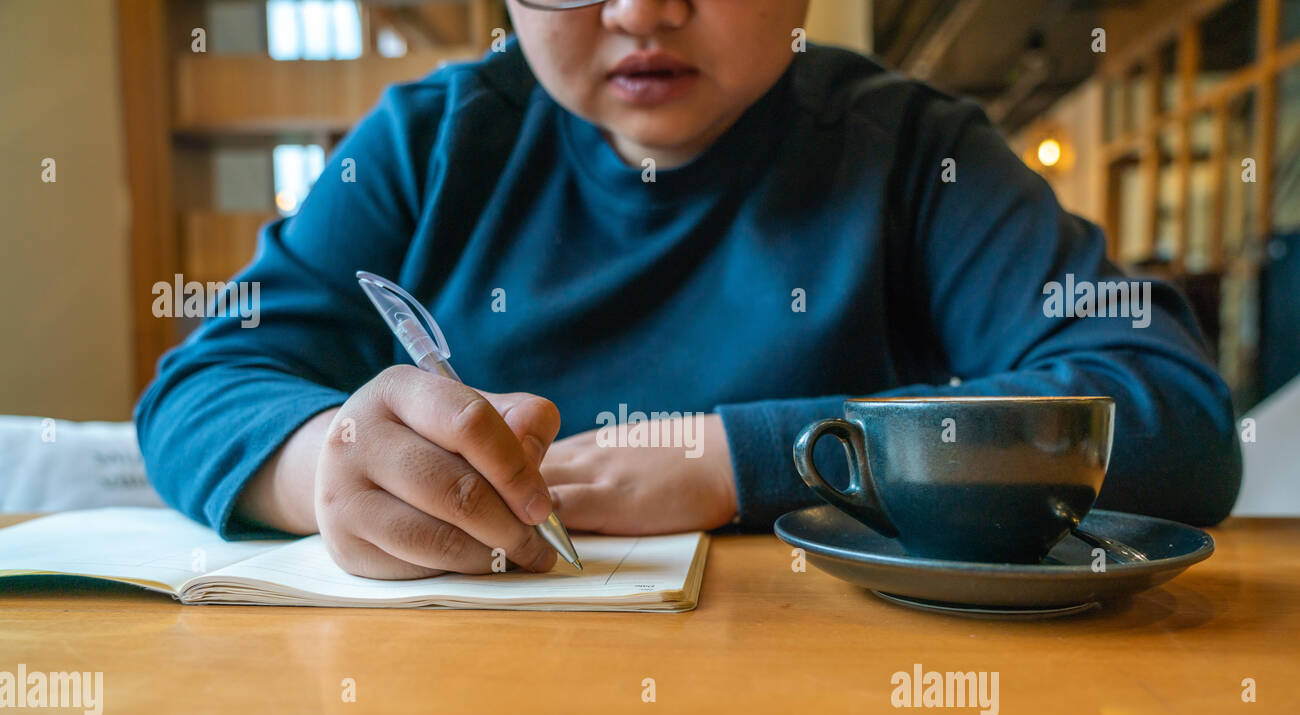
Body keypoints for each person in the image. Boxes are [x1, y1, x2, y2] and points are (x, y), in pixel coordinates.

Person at [135, 0, 1242, 579]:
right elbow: (204, 381)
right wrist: (326, 465)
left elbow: (1169, 415)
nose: (640, 9)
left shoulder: (910, 153)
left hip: (829, 711)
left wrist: (738, 460)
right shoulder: (429, 144)